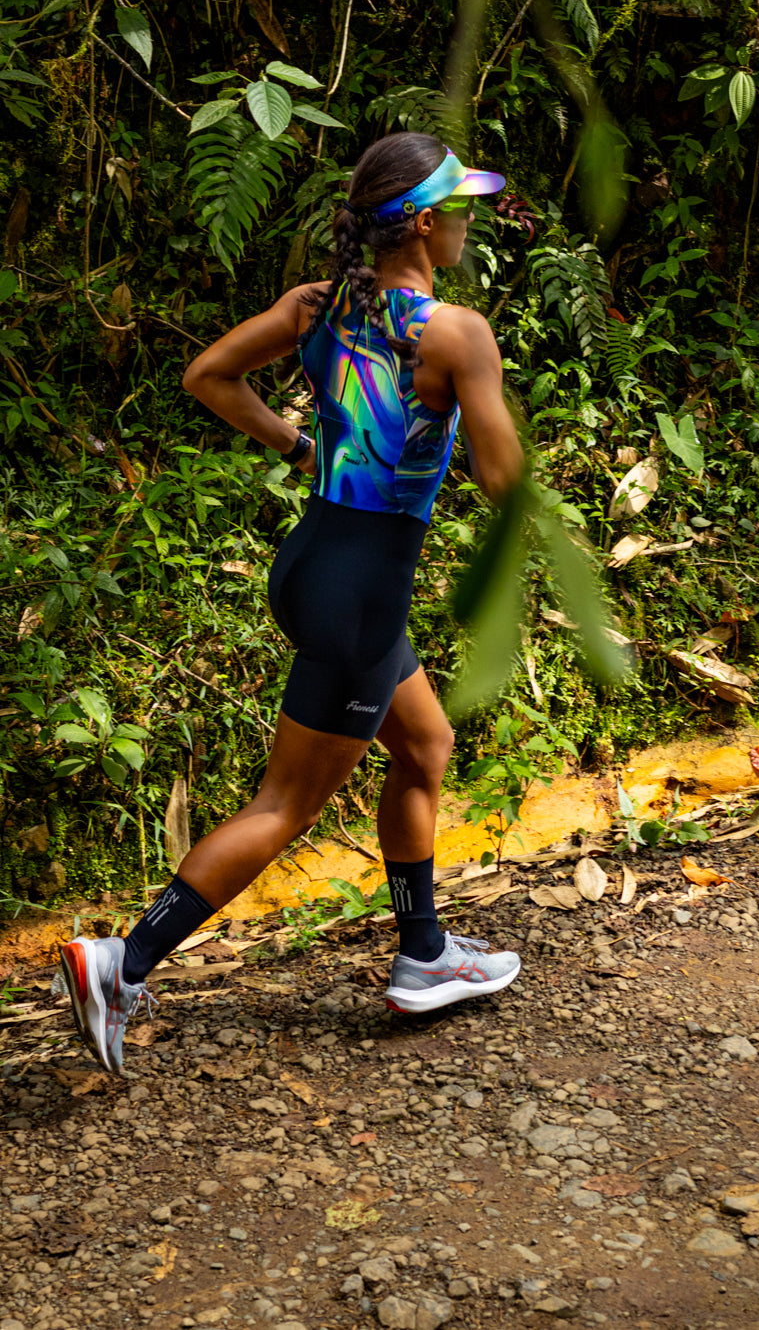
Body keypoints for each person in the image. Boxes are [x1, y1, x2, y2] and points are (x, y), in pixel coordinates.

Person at [60, 132, 525, 1076]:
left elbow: (208, 377)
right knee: (286, 802)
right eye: (462, 207)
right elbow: (502, 477)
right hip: (361, 597)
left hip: (315, 565)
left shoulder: (319, 307)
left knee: (425, 745)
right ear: (426, 225)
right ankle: (124, 960)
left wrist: (295, 445)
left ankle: (425, 953)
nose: (471, 220)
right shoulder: (456, 333)